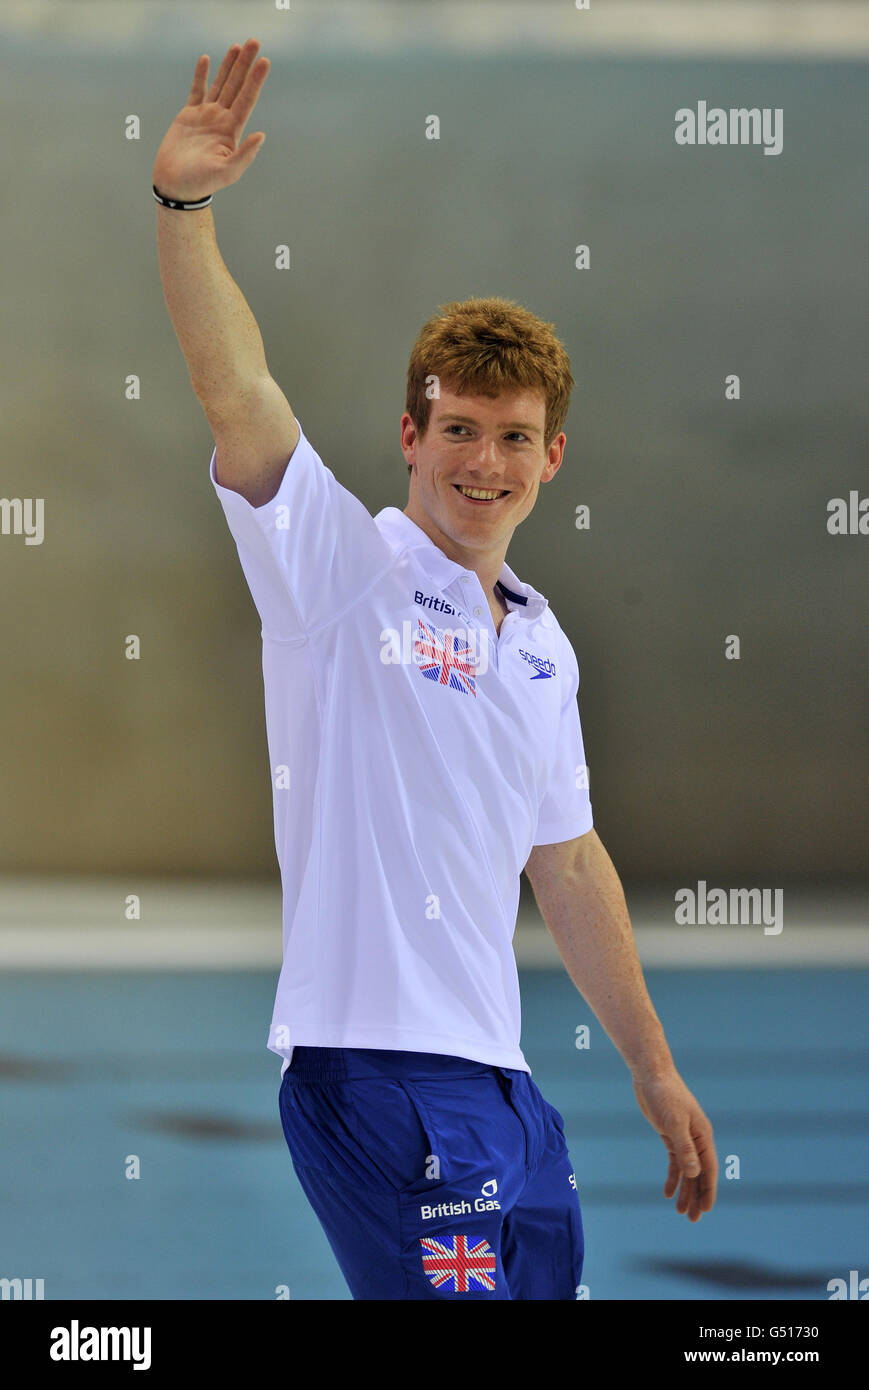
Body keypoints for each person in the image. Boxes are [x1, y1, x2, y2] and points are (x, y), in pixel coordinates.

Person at [154, 37, 718, 1301]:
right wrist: (184, 209)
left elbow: (564, 860)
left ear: (550, 457)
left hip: (504, 1092)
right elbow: (233, 389)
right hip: (371, 1075)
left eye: (511, 436)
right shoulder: (341, 570)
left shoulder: (541, 639)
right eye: (456, 428)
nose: (483, 460)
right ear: (409, 436)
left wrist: (651, 1064)